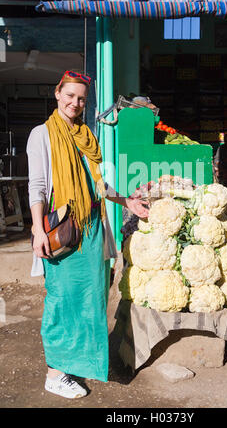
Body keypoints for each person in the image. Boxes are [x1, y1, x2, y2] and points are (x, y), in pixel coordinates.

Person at [26, 70, 149, 399]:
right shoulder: (42, 134)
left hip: (92, 228)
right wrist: (37, 231)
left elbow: (95, 184)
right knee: (63, 301)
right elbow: (37, 188)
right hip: (65, 231)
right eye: (69, 96)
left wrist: (125, 201)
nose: (75, 103)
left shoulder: (85, 135)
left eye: (81, 98)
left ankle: (74, 365)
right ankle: (55, 372)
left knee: (90, 302)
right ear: (57, 94)